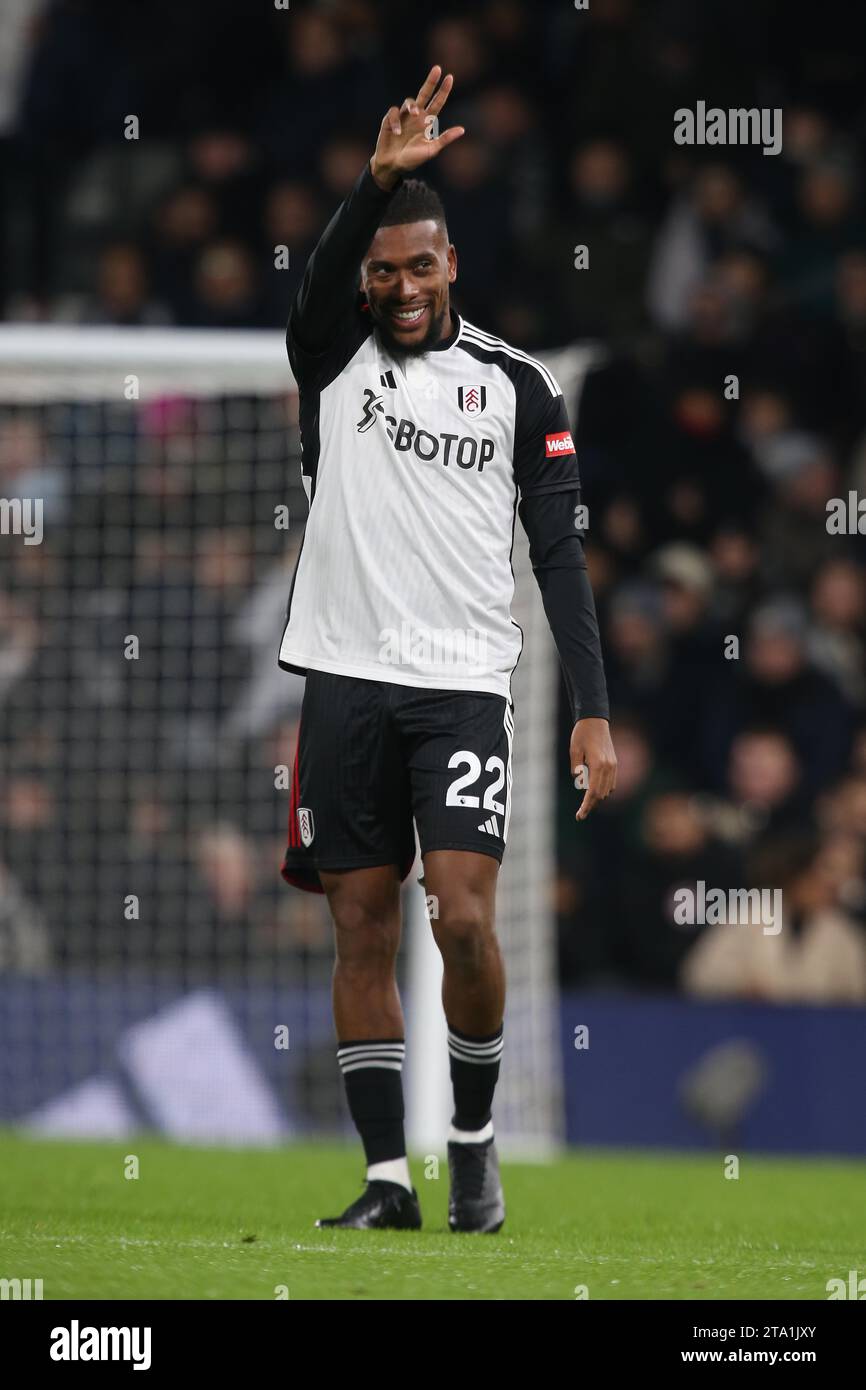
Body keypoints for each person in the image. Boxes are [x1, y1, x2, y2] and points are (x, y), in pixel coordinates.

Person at [278, 67, 615, 1232]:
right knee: (358, 925)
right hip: (342, 678)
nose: (401, 288)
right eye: (384, 271)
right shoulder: (331, 358)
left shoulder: (518, 386)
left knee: (461, 920)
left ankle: (471, 1144)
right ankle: (385, 1182)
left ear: (452, 268)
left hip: (464, 683)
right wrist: (368, 187)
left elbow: (561, 556)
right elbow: (315, 289)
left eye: (420, 267)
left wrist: (590, 704)